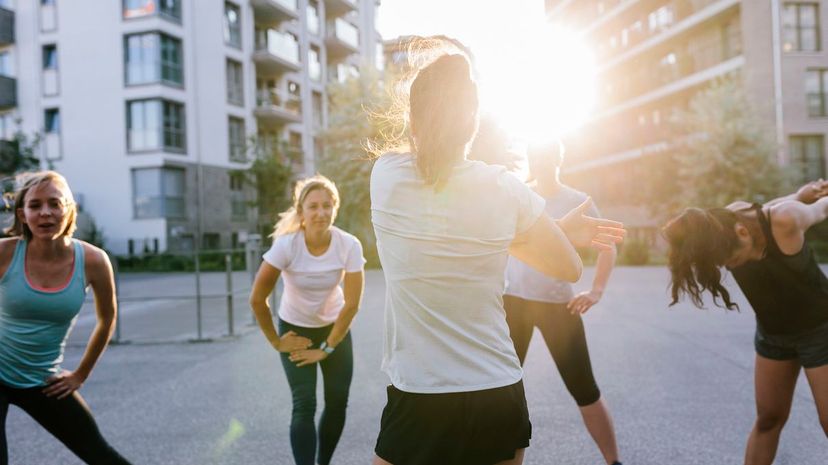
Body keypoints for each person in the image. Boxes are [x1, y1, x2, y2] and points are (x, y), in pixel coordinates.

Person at [369, 39, 626, 465]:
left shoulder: (386, 177)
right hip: (495, 390)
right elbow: (568, 266)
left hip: (421, 393)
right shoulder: (505, 189)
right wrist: (560, 232)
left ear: (413, 119)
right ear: (472, 123)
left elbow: (453, 240)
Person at [663, 180, 828, 465]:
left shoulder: (787, 221)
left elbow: (819, 209)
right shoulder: (720, 228)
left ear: (742, 232)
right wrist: (799, 193)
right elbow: (764, 209)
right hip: (772, 334)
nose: (734, 266)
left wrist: (805, 200)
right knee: (768, 419)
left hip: (820, 329)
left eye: (735, 259)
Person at [0, 171, 131, 465]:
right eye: (35, 206)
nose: (45, 213)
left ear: (69, 209)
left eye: (55, 204)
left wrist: (80, 374)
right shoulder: (5, 253)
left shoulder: (94, 260)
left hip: (42, 378)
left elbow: (107, 319)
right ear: (22, 214)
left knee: (101, 455)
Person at [504, 142, 622, 465]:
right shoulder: (518, 194)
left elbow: (608, 248)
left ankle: (615, 461)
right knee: (502, 392)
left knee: (584, 388)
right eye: (534, 155)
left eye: (546, 155)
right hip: (513, 304)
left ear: (559, 158)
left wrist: (596, 291)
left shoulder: (576, 201)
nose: (539, 161)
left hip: (558, 306)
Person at [249, 175, 365, 465]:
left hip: (335, 328)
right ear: (301, 212)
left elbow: (351, 305)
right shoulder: (287, 246)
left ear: (335, 209)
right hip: (295, 330)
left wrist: (326, 347)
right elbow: (256, 299)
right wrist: (277, 342)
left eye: (327, 206)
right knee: (304, 404)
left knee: (337, 403)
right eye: (313, 206)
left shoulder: (348, 245)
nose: (321, 213)